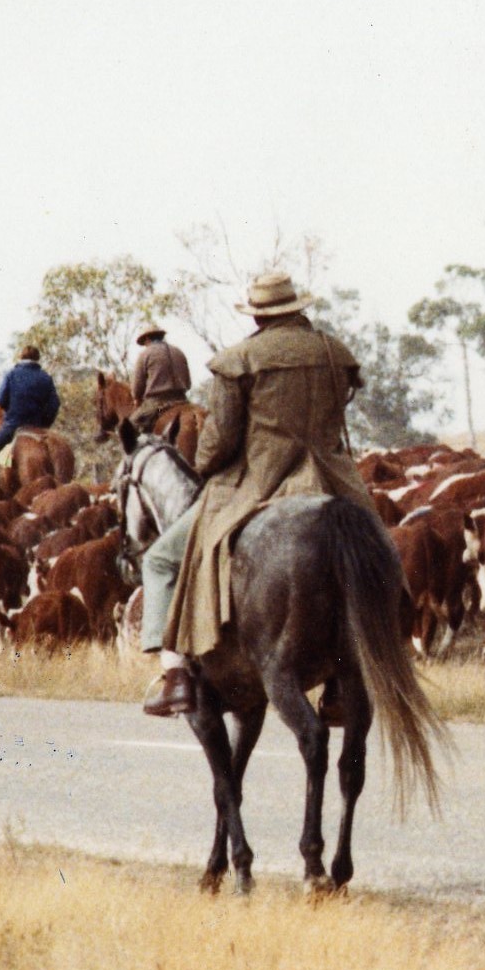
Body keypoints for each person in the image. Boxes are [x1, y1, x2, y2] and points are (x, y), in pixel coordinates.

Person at [140, 271, 377, 716]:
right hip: (333, 478)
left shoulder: (239, 360)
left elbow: (218, 443)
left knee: (161, 559)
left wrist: (204, 464)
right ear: (295, 308)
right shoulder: (333, 352)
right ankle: (351, 678)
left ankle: (174, 676)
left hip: (259, 481)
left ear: (259, 316)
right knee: (380, 554)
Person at [0, 345, 60, 499]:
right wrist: (45, 424)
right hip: (38, 426)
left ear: (21, 358)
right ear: (37, 359)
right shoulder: (46, 378)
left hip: (14, 425)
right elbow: (54, 405)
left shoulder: (11, 375)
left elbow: (0, 400)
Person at [128, 324, 192, 433]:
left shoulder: (145, 354)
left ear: (147, 339)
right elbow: (188, 383)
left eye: (144, 342)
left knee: (129, 427)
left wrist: (137, 398)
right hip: (183, 401)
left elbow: (137, 389)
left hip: (157, 404)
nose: (145, 345)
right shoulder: (178, 351)